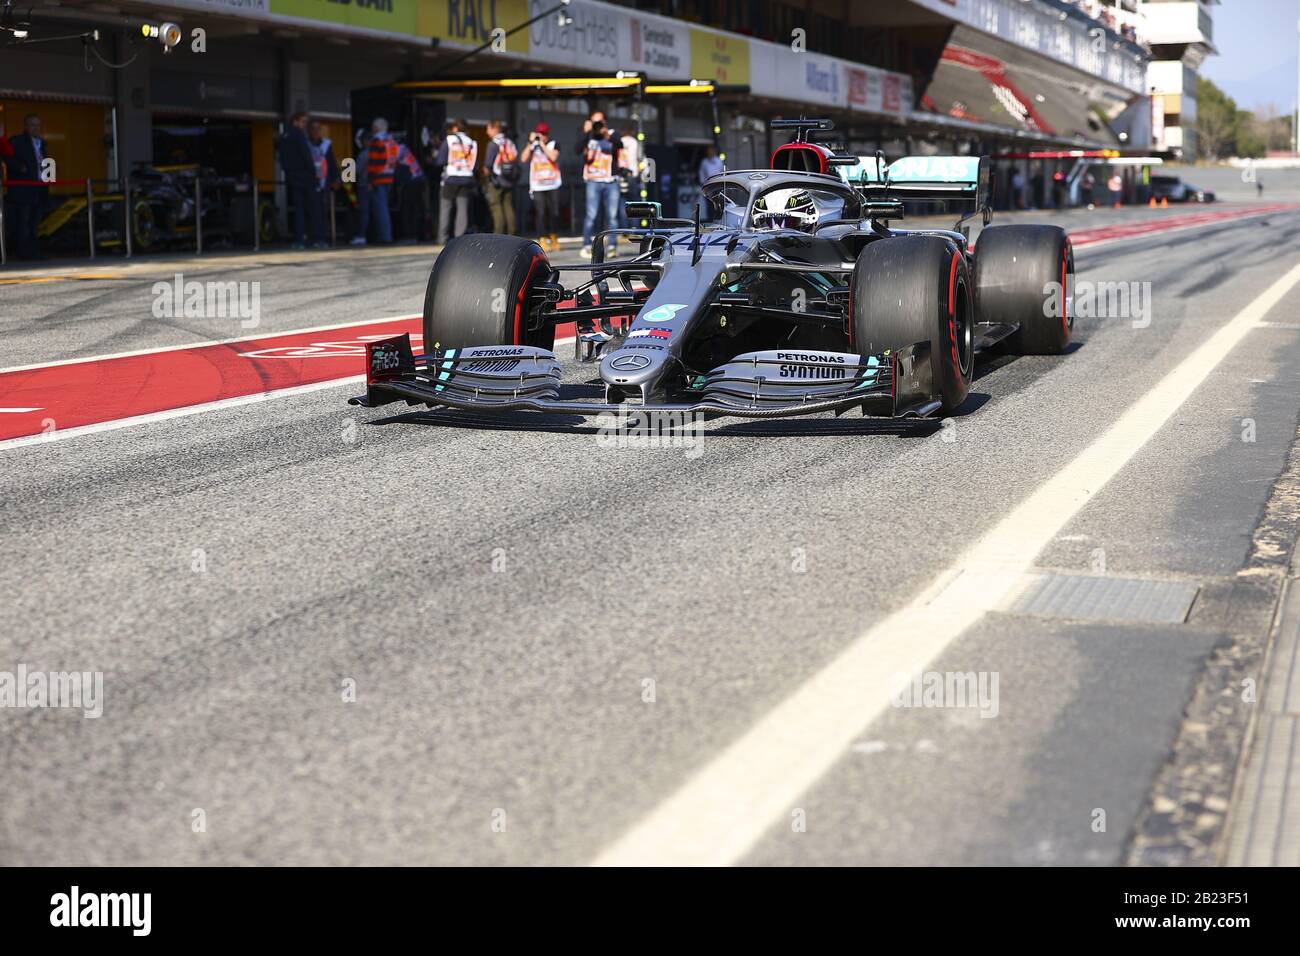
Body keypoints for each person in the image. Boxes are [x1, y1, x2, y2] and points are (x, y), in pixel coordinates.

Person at [2, 114, 51, 260]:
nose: (35, 128)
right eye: (32, 125)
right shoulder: (17, 141)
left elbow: (44, 161)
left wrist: (50, 176)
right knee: (23, 222)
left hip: (39, 188)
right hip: (22, 190)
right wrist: (19, 167)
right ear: (25, 126)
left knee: (34, 223)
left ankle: (34, 252)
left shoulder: (42, 143)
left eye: (37, 125)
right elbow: (6, 155)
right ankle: (23, 253)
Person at [577, 112, 620, 259]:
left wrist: (606, 133)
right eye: (594, 122)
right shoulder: (588, 136)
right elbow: (576, 150)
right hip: (593, 180)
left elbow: (620, 144)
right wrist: (586, 132)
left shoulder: (611, 134)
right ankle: (586, 245)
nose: (597, 125)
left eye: (600, 122)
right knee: (591, 214)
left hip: (610, 181)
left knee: (612, 215)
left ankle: (613, 246)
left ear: (605, 122)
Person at [279, 112, 324, 250]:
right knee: (313, 209)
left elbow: (282, 158)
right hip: (306, 178)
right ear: (295, 122)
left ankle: (299, 240)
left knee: (299, 210)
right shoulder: (299, 136)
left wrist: (289, 173)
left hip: (293, 177)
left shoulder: (284, 137)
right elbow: (306, 156)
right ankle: (317, 239)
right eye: (303, 122)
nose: (305, 125)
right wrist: (314, 174)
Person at [521, 121, 562, 252]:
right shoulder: (533, 146)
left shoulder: (553, 144)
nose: (541, 136)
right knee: (541, 212)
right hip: (538, 185)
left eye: (544, 134)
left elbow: (553, 157)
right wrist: (530, 143)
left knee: (554, 212)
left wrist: (543, 145)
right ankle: (542, 238)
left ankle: (553, 235)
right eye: (540, 134)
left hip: (553, 183)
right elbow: (523, 159)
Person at [436, 118, 477, 245]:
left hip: (451, 178)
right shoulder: (472, 142)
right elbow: (475, 165)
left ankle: (442, 238)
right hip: (466, 178)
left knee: (446, 207)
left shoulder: (449, 140)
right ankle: (459, 240)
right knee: (462, 209)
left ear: (455, 128)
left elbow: (441, 161)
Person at [483, 119, 519, 236]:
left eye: (488, 129)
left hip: (496, 180)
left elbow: (488, 165)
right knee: (508, 206)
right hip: (509, 179)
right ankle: (511, 232)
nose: (487, 132)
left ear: (494, 129)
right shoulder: (509, 142)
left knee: (496, 207)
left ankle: (498, 234)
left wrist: (486, 176)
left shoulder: (493, 144)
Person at [307, 119, 340, 245]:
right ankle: (314, 237)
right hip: (310, 183)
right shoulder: (305, 144)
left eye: (318, 129)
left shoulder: (326, 145)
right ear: (309, 131)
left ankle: (323, 237)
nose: (316, 132)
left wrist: (337, 179)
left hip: (324, 183)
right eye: (313, 129)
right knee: (312, 211)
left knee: (323, 211)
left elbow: (332, 164)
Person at [394, 139, 427, 242]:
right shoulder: (403, 148)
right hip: (416, 180)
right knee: (415, 208)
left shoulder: (397, 150)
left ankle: (410, 235)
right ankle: (417, 234)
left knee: (408, 209)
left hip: (411, 182)